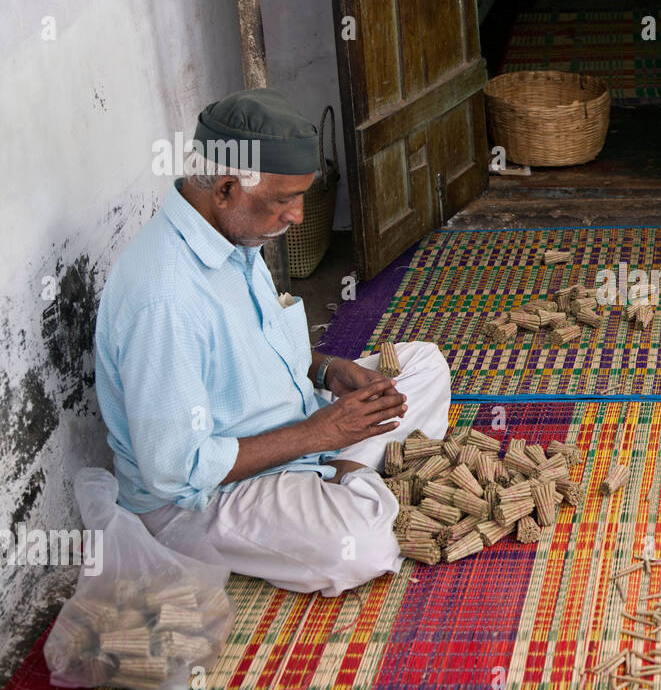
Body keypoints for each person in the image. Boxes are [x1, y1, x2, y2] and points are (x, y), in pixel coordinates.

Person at [94, 88, 451, 596]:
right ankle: (346, 479)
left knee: (424, 363)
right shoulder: (164, 299)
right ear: (224, 189)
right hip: (212, 496)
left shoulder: (234, 237)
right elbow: (178, 473)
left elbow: (256, 352)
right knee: (362, 546)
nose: (298, 216)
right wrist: (317, 434)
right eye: (284, 200)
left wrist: (326, 370)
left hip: (296, 428)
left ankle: (342, 474)